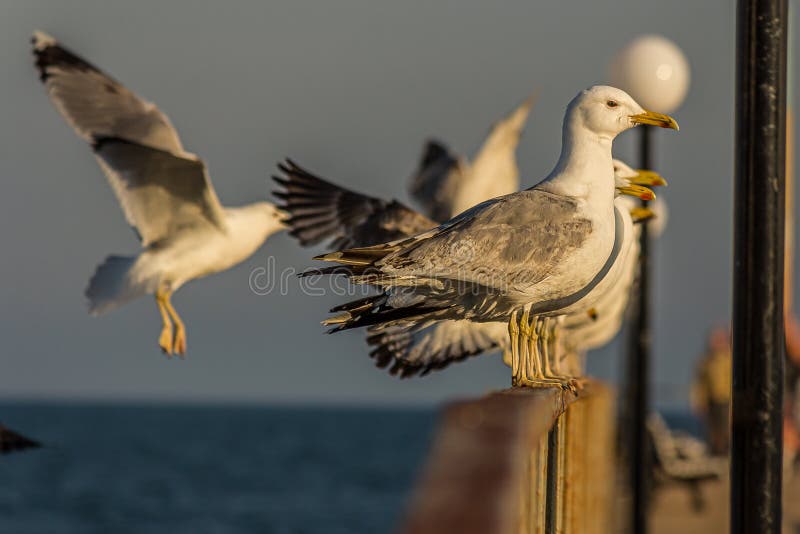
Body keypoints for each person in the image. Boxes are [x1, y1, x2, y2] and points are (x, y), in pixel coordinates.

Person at [691, 327, 732, 456]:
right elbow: (700, 384)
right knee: (712, 430)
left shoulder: (729, 360)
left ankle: (725, 453)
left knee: (725, 430)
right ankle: (714, 452)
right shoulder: (705, 362)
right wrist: (698, 401)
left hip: (725, 400)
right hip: (712, 401)